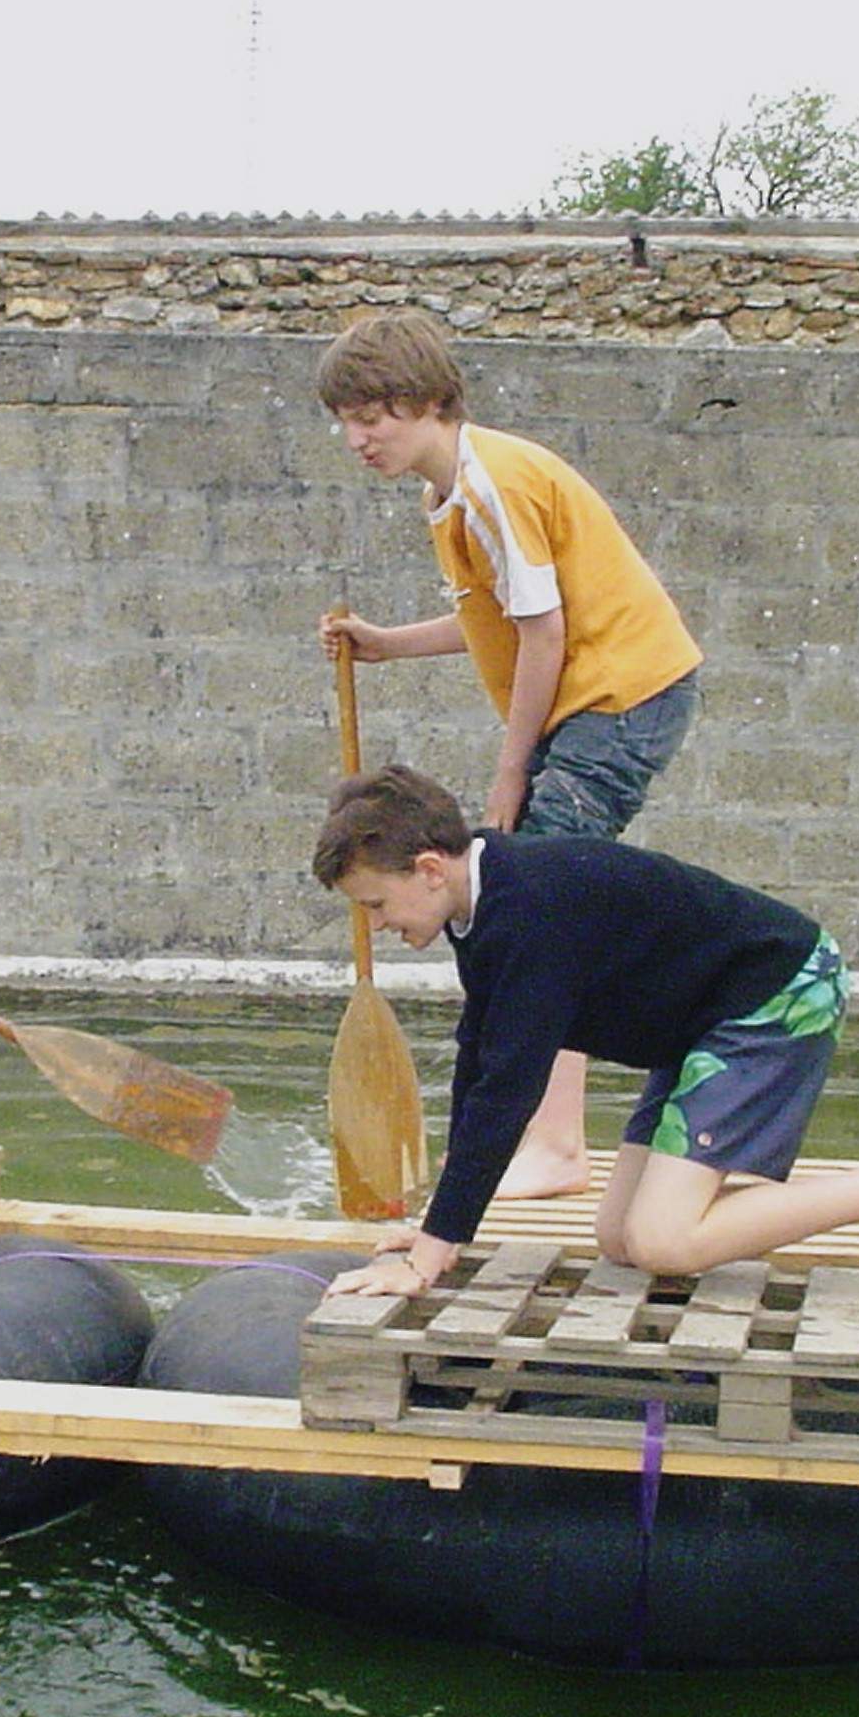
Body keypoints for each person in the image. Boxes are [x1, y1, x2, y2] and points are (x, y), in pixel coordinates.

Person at [310, 764, 859, 1301]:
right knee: (622, 1239)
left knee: (666, 1243)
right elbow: (478, 1060)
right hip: (700, 1023)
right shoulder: (480, 903)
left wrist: (425, 1263)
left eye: (375, 905)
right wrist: (439, 1230)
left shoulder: (530, 912)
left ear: (429, 869)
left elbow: (509, 1091)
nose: (375, 925)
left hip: (776, 994)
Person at [313, 311, 703, 1199]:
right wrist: (385, 644)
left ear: (427, 402)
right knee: (534, 894)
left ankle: (557, 1146)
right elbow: (494, 621)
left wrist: (510, 770)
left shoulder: (494, 485)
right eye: (347, 418)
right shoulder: (446, 496)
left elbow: (545, 631)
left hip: (622, 696)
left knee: (535, 899)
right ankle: (544, 1136)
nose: (358, 436)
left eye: (375, 414)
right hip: (592, 700)